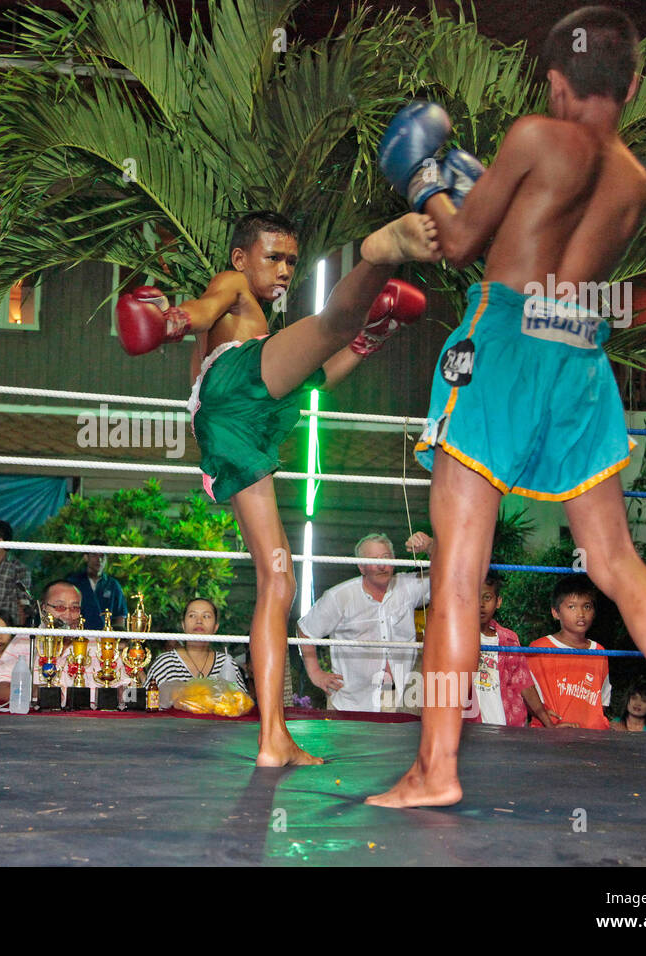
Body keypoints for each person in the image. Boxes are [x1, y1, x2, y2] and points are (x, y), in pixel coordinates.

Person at [367, 6, 646, 808]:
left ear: (554, 81)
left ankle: (435, 770)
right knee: (617, 561)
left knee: (457, 571)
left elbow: (461, 242)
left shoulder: (535, 137)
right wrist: (479, 187)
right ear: (634, 82)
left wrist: (426, 180)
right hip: (582, 354)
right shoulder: (634, 180)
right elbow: (553, 243)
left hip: (507, 343)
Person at [116, 209, 439, 765]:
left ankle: (273, 738)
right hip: (235, 394)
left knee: (279, 577)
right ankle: (375, 253)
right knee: (333, 325)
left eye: (292, 259)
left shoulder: (269, 339)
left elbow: (315, 379)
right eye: (275, 257)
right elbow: (205, 309)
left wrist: (368, 342)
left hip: (248, 424)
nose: (286, 269)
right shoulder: (235, 287)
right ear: (242, 257)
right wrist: (172, 320)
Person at [297, 532, 433, 713]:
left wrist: (430, 547)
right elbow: (306, 629)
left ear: (394, 560)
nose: (381, 565)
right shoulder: (339, 596)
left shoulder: (407, 587)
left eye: (386, 558)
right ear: (361, 567)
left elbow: (449, 577)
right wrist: (315, 673)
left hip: (399, 700)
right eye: (373, 559)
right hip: (351, 702)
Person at [0, 580, 111, 707]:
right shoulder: (25, 640)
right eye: (60, 607)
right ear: (43, 609)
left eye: (75, 608)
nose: (68, 614)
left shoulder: (96, 644)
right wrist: (36, 691)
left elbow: (124, 688)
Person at [524, 577, 612, 731]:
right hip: (550, 735)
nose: (581, 614)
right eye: (572, 607)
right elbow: (525, 693)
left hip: (592, 738)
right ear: (555, 612)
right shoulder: (539, 649)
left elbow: (602, 700)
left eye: (587, 606)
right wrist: (544, 717)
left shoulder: (599, 651)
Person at [468, 570, 534, 727]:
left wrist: (547, 721)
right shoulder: (456, 638)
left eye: (487, 597)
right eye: (475, 597)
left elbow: (524, 683)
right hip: (471, 729)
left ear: (498, 602)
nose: (481, 604)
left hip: (507, 726)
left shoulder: (509, 639)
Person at [145, 598, 246, 691]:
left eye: (206, 616)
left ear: (216, 627)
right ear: (183, 625)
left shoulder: (226, 663)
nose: (199, 621)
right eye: (192, 615)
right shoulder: (165, 663)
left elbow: (242, 703)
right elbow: (146, 701)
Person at [0, 520, 32, 627]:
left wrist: (20, 628)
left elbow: (23, 601)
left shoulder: (19, 568)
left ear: (0, 541)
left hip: (10, 623)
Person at [67, 544, 126, 629]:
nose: (99, 559)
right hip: (78, 637)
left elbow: (120, 616)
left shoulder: (113, 585)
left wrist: (118, 638)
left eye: (102, 555)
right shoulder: (73, 582)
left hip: (105, 638)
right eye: (94, 555)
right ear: (86, 557)